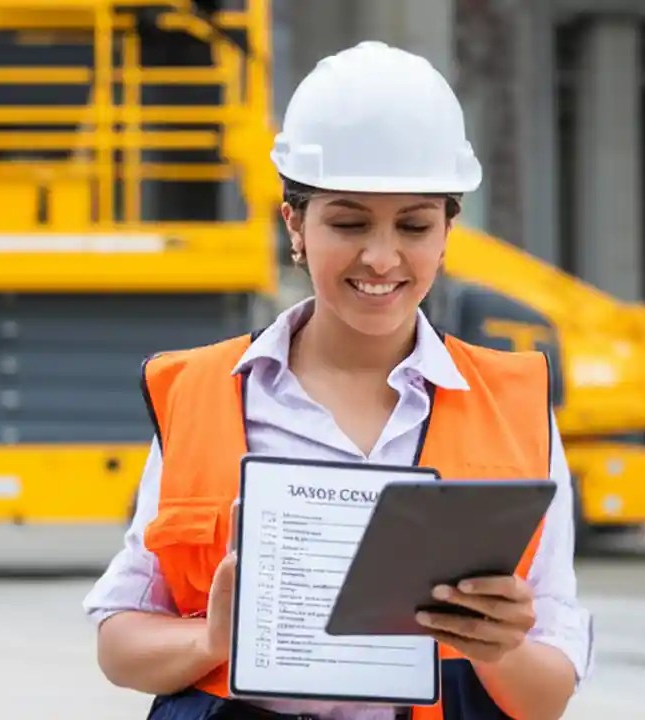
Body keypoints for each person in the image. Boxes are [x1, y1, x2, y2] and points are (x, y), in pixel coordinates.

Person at [83, 40, 593, 720]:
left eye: (413, 225)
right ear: (295, 224)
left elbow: (547, 697)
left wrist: (496, 647)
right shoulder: (207, 395)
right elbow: (120, 642)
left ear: (447, 232)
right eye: (348, 222)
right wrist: (213, 638)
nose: (381, 258)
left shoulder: (514, 406)